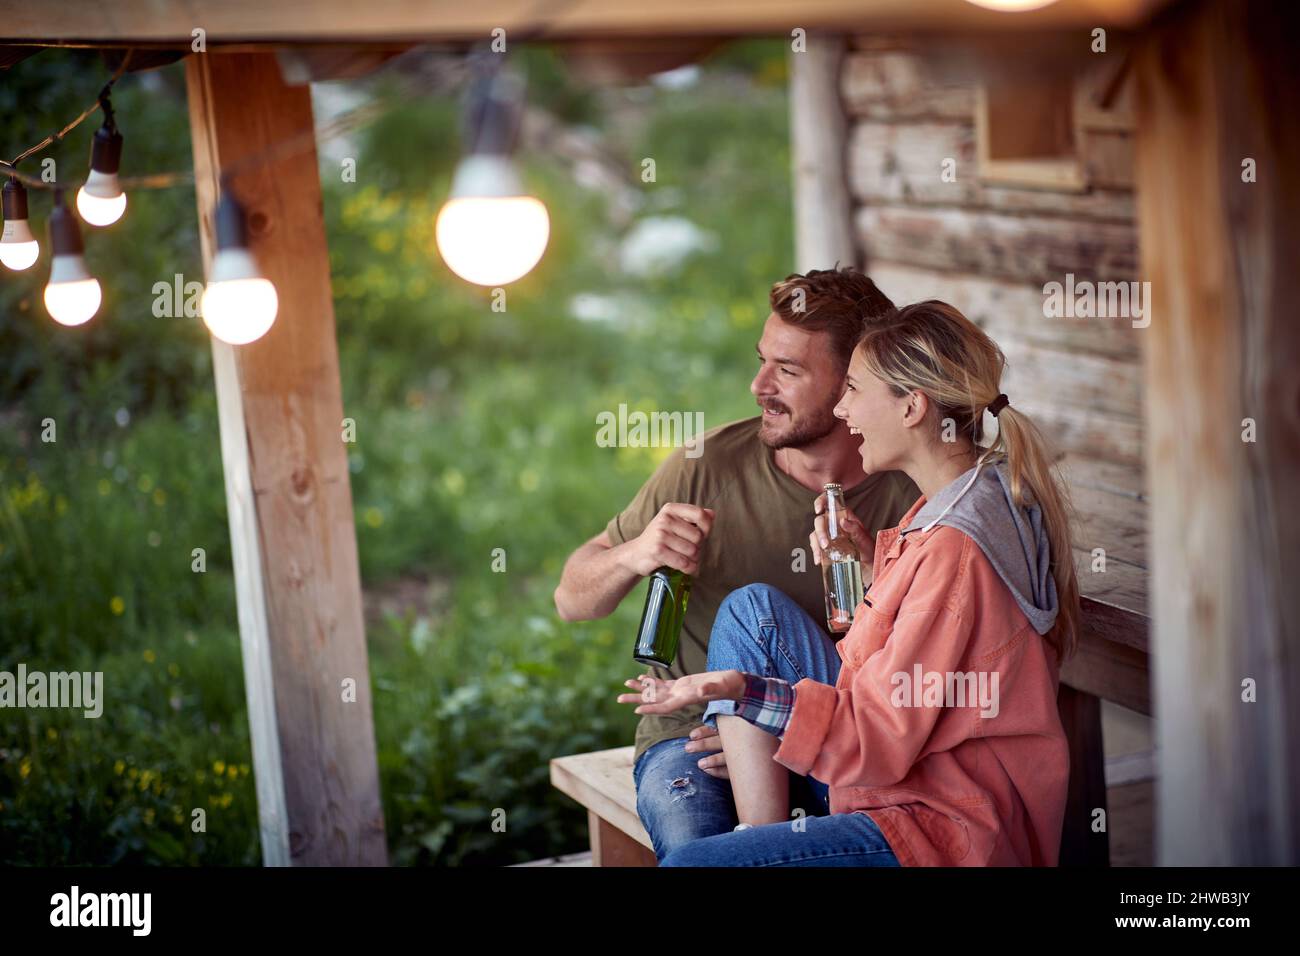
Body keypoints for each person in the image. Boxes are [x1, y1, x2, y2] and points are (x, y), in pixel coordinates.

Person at [619, 299, 1078, 866]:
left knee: (692, 865)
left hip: (942, 824)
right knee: (752, 612)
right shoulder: (961, 501)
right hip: (912, 777)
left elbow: (880, 735)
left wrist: (738, 691)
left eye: (854, 390)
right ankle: (761, 841)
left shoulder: (953, 545)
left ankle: (760, 851)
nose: (843, 408)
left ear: (912, 407)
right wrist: (874, 576)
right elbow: (927, 658)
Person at [555, 267, 918, 861]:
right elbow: (572, 601)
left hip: (842, 731)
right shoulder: (707, 467)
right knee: (697, 851)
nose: (758, 385)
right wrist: (635, 553)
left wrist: (788, 730)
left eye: (789, 370)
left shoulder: (910, 485)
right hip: (694, 736)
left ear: (856, 380)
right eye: (762, 360)